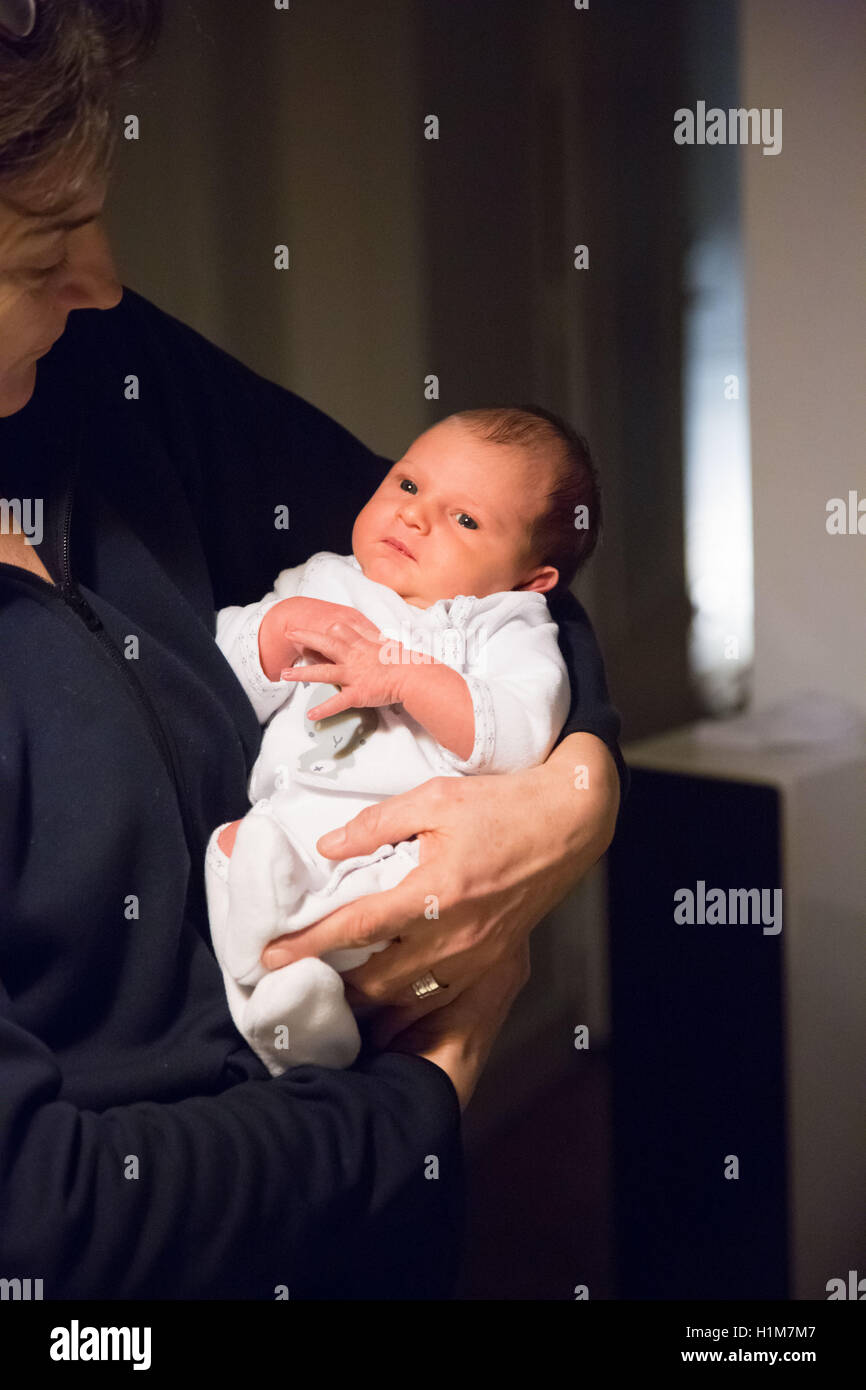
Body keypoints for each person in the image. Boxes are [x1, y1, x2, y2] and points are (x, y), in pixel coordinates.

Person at [0, 0, 624, 1299]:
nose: (101, 275)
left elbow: (507, 576)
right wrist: (422, 1097)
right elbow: (38, 1218)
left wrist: (568, 800)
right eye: (45, 237)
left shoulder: (106, 376)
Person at [206, 406, 599, 1075]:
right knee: (233, 850)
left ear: (531, 579)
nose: (415, 516)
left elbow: (523, 732)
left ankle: (306, 1009)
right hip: (293, 827)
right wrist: (279, 629)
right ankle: (282, 1003)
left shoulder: (503, 623)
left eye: (466, 518)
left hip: (401, 852)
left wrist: (406, 679)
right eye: (408, 485)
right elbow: (217, 683)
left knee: (387, 907)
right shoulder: (322, 581)